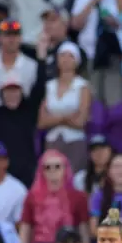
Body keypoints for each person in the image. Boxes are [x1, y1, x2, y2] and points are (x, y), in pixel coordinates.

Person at [0, 30, 48, 187]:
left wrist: (42, 55)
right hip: (0, 172)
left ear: (22, 93)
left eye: (16, 91)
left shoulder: (29, 112)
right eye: (8, 92)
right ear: (1, 94)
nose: (12, 95)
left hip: (26, 171)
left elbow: (40, 87)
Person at [19, 151, 90, 243]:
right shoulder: (31, 197)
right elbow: (25, 230)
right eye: (47, 167)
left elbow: (83, 230)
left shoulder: (78, 197)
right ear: (41, 171)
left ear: (65, 169)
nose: (52, 170)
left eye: (57, 166)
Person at [38, 41, 91, 173]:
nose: (65, 59)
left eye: (70, 56)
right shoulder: (48, 86)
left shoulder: (82, 86)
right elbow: (41, 122)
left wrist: (54, 118)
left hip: (75, 141)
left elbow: (80, 121)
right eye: (62, 55)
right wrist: (66, 118)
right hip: (52, 141)